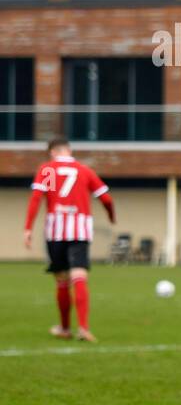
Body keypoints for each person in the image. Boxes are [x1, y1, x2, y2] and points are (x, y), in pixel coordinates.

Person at [23, 138, 116, 342]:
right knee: (79, 276)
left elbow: (36, 198)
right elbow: (107, 198)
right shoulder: (84, 170)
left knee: (62, 281)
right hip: (80, 230)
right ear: (69, 150)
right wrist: (111, 216)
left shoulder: (47, 170)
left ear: (52, 152)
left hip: (55, 230)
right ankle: (83, 328)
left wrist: (28, 227)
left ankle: (65, 329)